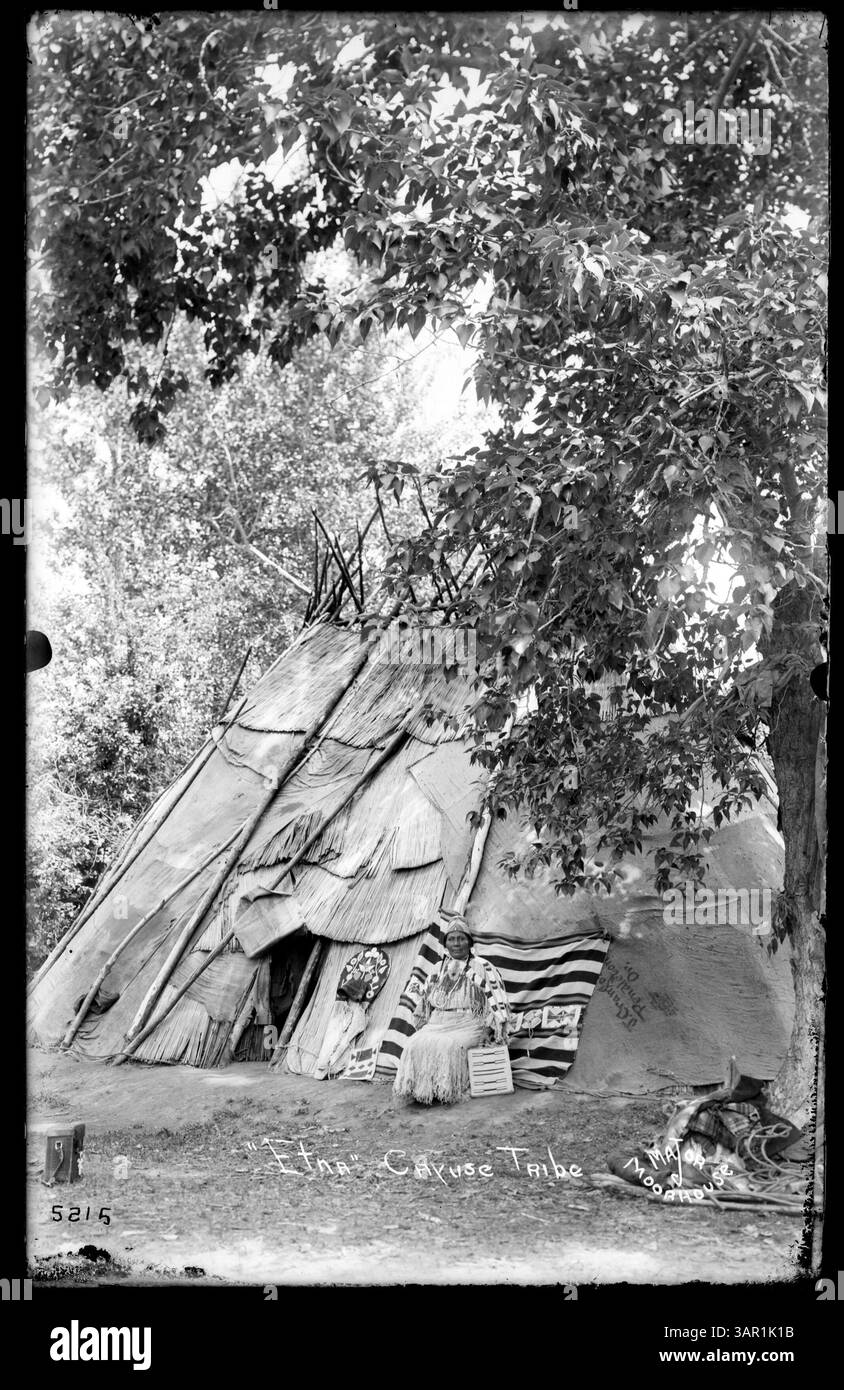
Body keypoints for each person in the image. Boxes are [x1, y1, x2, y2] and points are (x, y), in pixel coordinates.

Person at [393, 918, 511, 1105]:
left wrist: (490, 1028)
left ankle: (447, 1090)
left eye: (461, 938)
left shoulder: (483, 966)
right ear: (446, 943)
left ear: (470, 943)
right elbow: (424, 1002)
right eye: (452, 939)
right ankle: (423, 1090)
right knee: (413, 1043)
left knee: (449, 1046)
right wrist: (425, 1022)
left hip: (470, 1023)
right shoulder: (438, 969)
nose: (456, 943)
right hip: (438, 1022)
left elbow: (497, 1001)